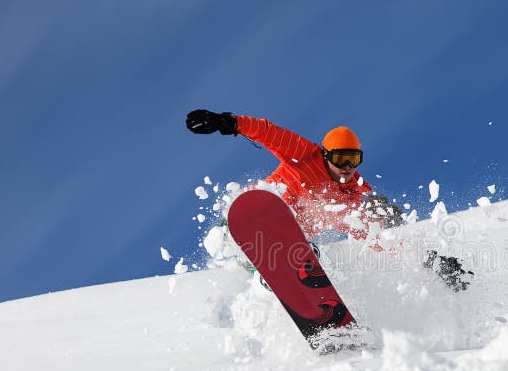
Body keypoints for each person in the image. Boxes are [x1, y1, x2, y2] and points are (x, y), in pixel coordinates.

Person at [185, 109, 471, 290]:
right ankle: (272, 263)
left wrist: (430, 262)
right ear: (326, 155)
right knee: (288, 238)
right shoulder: (304, 153)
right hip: (248, 215)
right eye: (340, 158)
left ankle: (280, 274)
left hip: (287, 244)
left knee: (310, 253)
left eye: (353, 160)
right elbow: (268, 132)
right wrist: (227, 122)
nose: (347, 166)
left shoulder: (351, 200)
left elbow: (379, 241)